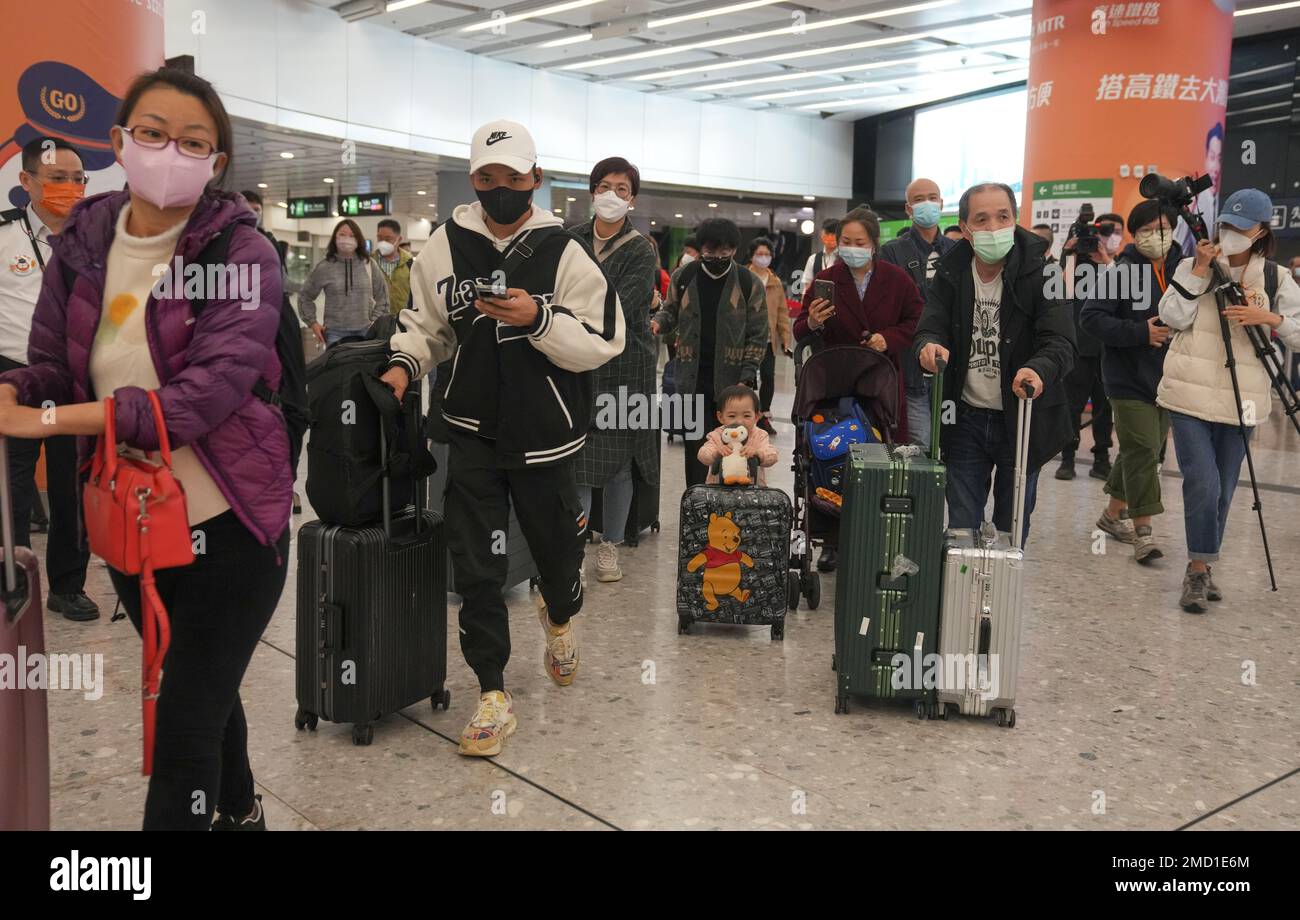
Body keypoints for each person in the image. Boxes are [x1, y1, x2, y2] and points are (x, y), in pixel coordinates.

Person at [0, 67, 290, 830]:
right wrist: (22, 391)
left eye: (194, 142)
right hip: (135, 523)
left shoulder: (242, 252)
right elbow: (56, 364)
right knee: (206, 689)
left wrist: (58, 422)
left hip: (232, 522)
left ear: (216, 161)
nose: (171, 151)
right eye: (153, 132)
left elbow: (206, 394)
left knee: (184, 721)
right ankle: (244, 810)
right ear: (120, 140)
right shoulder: (84, 243)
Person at [380, 119, 623, 757]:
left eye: (512, 178)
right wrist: (404, 365)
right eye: (487, 179)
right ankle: (492, 692)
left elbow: (602, 339)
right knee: (477, 568)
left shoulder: (565, 252)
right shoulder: (445, 245)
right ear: (473, 181)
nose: (499, 190)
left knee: (557, 558)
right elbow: (425, 325)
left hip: (546, 436)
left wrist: (539, 317)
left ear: (535, 180)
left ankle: (561, 617)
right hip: (470, 434)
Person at [1155, 188, 1300, 613]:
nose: (1231, 233)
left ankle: (1203, 564)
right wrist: (1199, 270)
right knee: (1203, 482)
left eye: (1242, 227)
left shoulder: (1275, 279)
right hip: (1187, 392)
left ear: (1260, 232)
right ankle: (1198, 570)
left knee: (1224, 487)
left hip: (1244, 400)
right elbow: (1172, 316)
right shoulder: (1192, 264)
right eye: (1227, 225)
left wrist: (1269, 319)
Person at [914, 182, 1076, 543]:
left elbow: (1062, 341)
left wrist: (1038, 369)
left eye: (1002, 217)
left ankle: (999, 597)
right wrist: (929, 346)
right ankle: (962, 596)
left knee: (1011, 529)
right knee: (960, 526)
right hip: (964, 418)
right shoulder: (950, 270)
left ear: (1016, 218)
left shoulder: (1043, 271)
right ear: (966, 228)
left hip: (1020, 419)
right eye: (981, 219)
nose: (993, 228)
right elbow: (930, 327)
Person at [0, 136, 97, 620]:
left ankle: (68, 585)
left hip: (73, 378)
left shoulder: (96, 240)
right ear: (27, 182)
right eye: (57, 178)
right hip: (14, 374)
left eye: (77, 179)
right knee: (12, 482)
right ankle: (11, 579)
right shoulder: (3, 237)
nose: (70, 188)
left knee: (72, 483)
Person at [796, 206, 922, 570]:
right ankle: (831, 539)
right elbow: (800, 328)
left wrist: (890, 338)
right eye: (846, 242)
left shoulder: (897, 280)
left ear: (874, 244)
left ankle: (874, 535)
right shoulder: (828, 277)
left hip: (880, 384)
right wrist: (814, 322)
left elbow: (917, 319)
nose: (851, 248)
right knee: (832, 459)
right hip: (834, 384)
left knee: (881, 456)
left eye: (859, 242)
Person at [1080, 199, 1181, 564]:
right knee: (1142, 449)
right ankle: (1144, 532)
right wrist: (1141, 332)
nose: (1157, 236)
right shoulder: (1120, 272)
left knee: (1146, 449)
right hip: (1126, 378)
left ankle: (1110, 516)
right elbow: (1090, 319)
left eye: (1164, 228)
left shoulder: (1184, 270)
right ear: (1134, 235)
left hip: (1169, 378)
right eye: (1147, 231)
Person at [572, 156, 659, 584]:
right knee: (577, 461)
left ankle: (610, 547)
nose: (611, 195)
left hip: (628, 365)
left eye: (621, 189)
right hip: (573, 363)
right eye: (604, 186)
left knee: (620, 461)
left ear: (632, 200)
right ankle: (574, 545)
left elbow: (623, 304)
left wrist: (570, 316)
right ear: (592, 192)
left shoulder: (642, 249)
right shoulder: (569, 241)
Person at [652, 218, 768, 487]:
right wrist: (659, 322)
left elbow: (758, 334)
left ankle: (727, 513)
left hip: (731, 385)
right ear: (700, 248)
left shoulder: (748, 282)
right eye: (710, 251)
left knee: (732, 451)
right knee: (696, 451)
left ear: (734, 250)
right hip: (691, 380)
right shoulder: (684, 276)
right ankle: (696, 505)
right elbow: (670, 310)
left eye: (724, 251)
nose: (717, 256)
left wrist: (747, 376)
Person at [878, 177, 958, 452]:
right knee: (919, 446)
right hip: (910, 365)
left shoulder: (957, 251)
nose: (927, 204)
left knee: (951, 445)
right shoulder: (892, 252)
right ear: (908, 208)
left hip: (951, 366)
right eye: (919, 199)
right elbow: (888, 308)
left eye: (933, 197)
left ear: (942, 203)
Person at [1055, 212, 1121, 481]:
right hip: (1078, 347)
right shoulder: (1074, 262)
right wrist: (1068, 252)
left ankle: (1102, 458)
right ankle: (1067, 458)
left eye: (1114, 231)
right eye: (1104, 232)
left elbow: (1124, 294)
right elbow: (1060, 290)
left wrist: (1107, 262)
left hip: (1109, 348)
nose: (1107, 237)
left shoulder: (1121, 265)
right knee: (1072, 405)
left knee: (1105, 409)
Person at [297, 218, 388, 347]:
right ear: (335, 237)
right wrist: (313, 323)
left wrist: (375, 321)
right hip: (335, 333)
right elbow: (305, 296)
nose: (347, 239)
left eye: (352, 235)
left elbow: (383, 297)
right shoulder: (324, 266)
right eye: (342, 234)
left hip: (366, 331)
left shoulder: (369, 264)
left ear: (358, 239)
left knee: (364, 367)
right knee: (337, 367)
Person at [746, 236, 793, 436]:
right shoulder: (743, 277)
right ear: (752, 256)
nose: (763, 258)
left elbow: (782, 312)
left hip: (767, 340)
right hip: (746, 339)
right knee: (747, 377)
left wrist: (785, 338)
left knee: (768, 377)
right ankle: (745, 415)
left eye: (767, 254)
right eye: (759, 254)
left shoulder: (775, 282)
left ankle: (764, 415)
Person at [696, 385, 779, 486]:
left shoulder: (760, 435)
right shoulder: (717, 435)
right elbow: (702, 454)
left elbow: (772, 455)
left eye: (746, 416)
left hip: (753, 492)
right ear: (721, 417)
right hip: (718, 491)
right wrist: (716, 453)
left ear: (756, 417)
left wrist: (758, 453)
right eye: (732, 416)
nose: (739, 421)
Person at [373, 218, 413, 315]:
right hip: (377, 320)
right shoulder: (370, 262)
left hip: (403, 319)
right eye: (380, 238)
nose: (383, 242)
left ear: (399, 239)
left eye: (387, 239)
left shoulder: (410, 262)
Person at [801, 218, 839, 294]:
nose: (830, 237)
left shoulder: (845, 258)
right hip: (817, 302)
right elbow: (807, 285)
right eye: (827, 234)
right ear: (822, 235)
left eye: (833, 234)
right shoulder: (813, 259)